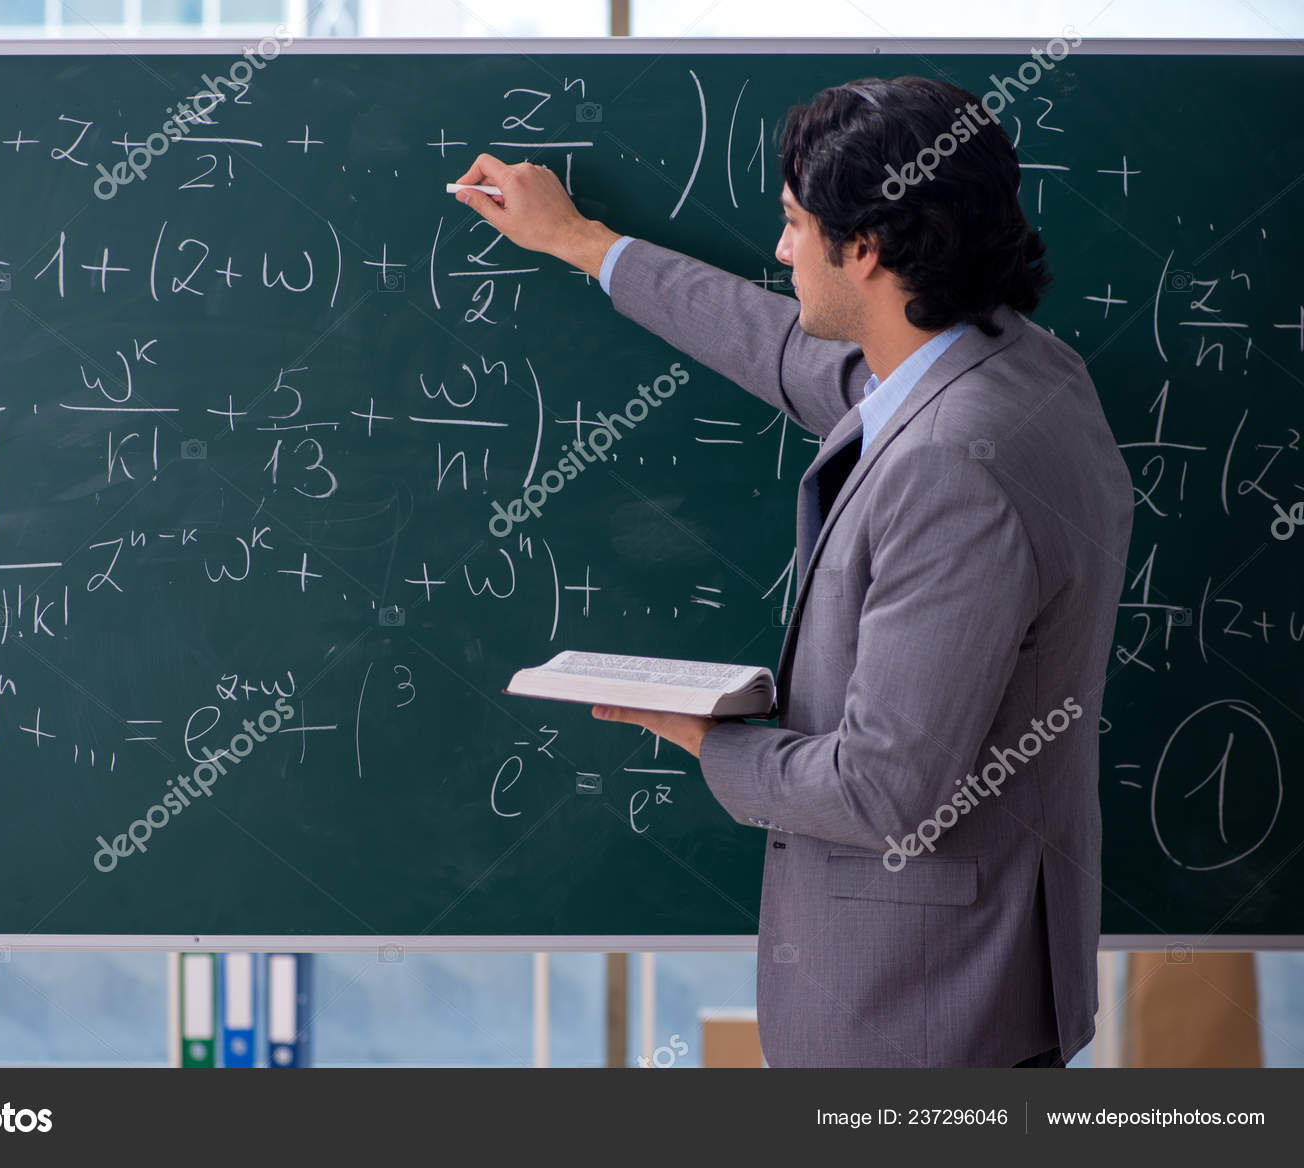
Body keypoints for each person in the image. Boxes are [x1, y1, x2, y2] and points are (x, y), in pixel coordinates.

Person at [453, 76, 1133, 1068]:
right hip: (959, 977)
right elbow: (776, 347)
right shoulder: (1009, 366)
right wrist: (580, 241)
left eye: (790, 225)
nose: (777, 253)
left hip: (920, 1017)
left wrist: (703, 734)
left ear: (863, 250)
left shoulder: (953, 465)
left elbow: (882, 789)